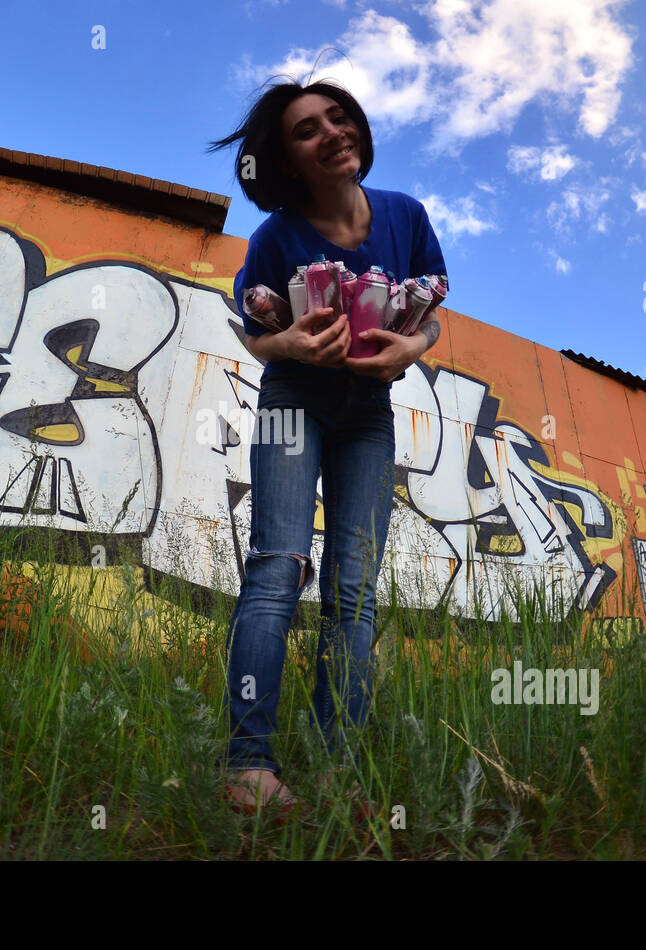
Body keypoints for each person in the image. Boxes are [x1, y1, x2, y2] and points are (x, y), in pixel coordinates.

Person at [205, 78, 448, 814]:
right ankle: (247, 765)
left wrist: (410, 351)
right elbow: (256, 336)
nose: (332, 132)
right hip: (293, 401)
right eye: (308, 130)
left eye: (339, 117)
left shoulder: (405, 217)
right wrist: (290, 345)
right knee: (278, 569)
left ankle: (338, 773)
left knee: (353, 591)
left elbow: (433, 319)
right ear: (289, 159)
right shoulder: (277, 235)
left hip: (367, 412)